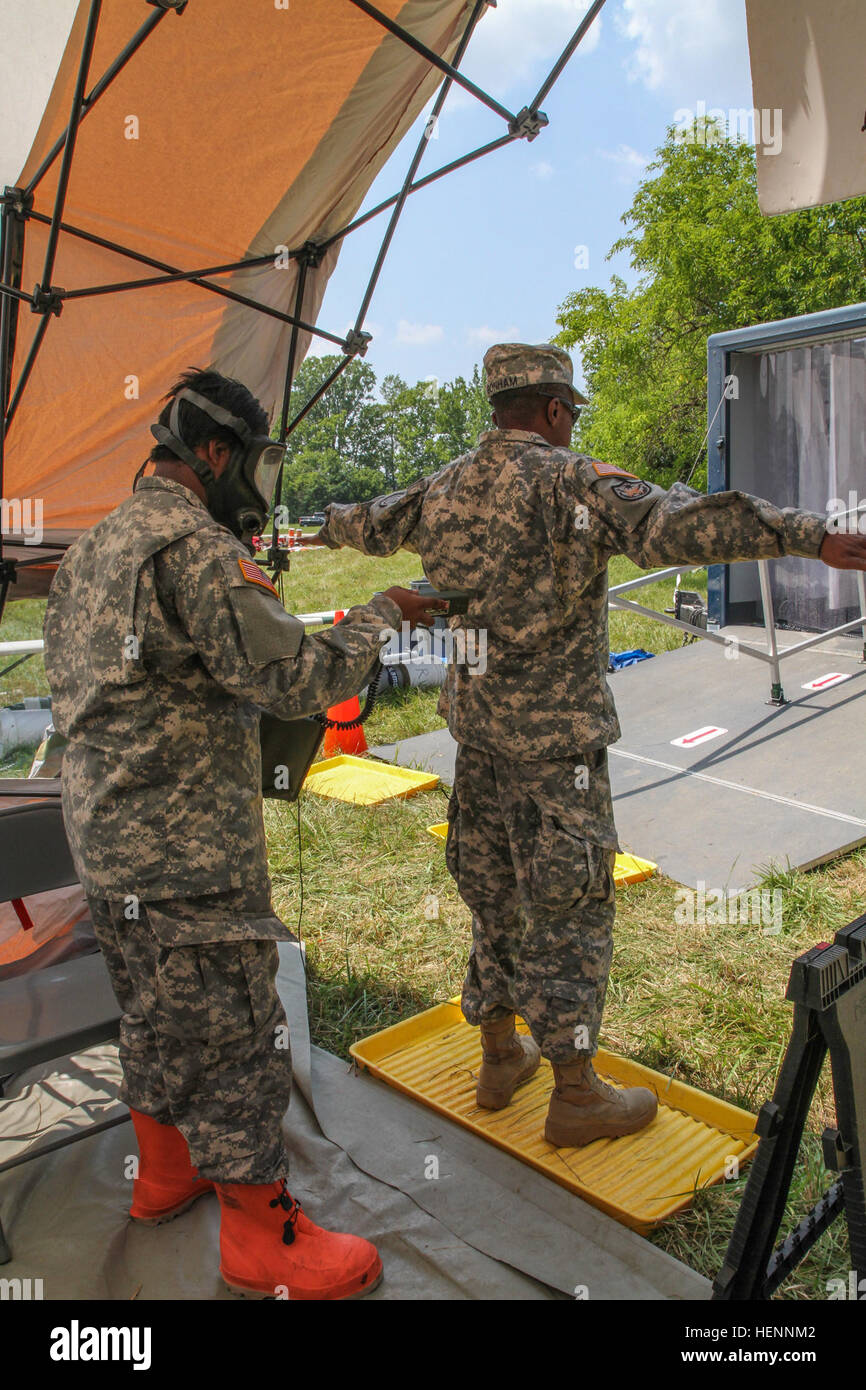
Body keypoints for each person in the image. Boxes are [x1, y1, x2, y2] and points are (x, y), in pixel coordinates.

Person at [317, 341, 866, 1149]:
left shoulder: (445, 486)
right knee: (570, 909)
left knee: (493, 892)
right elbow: (678, 523)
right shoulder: (570, 479)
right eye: (569, 415)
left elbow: (364, 522)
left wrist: (308, 528)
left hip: (477, 738)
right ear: (554, 410)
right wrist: (808, 535)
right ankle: (574, 1093)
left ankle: (500, 1053)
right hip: (556, 748)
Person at [43, 367, 441, 1300]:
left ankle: (167, 1174)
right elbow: (298, 682)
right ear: (213, 454)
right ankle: (263, 1241)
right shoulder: (195, 550)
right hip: (189, 855)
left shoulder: (91, 548)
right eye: (250, 464)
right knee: (234, 1035)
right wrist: (383, 614)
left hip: (104, 842)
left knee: (148, 1010)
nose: (253, 490)